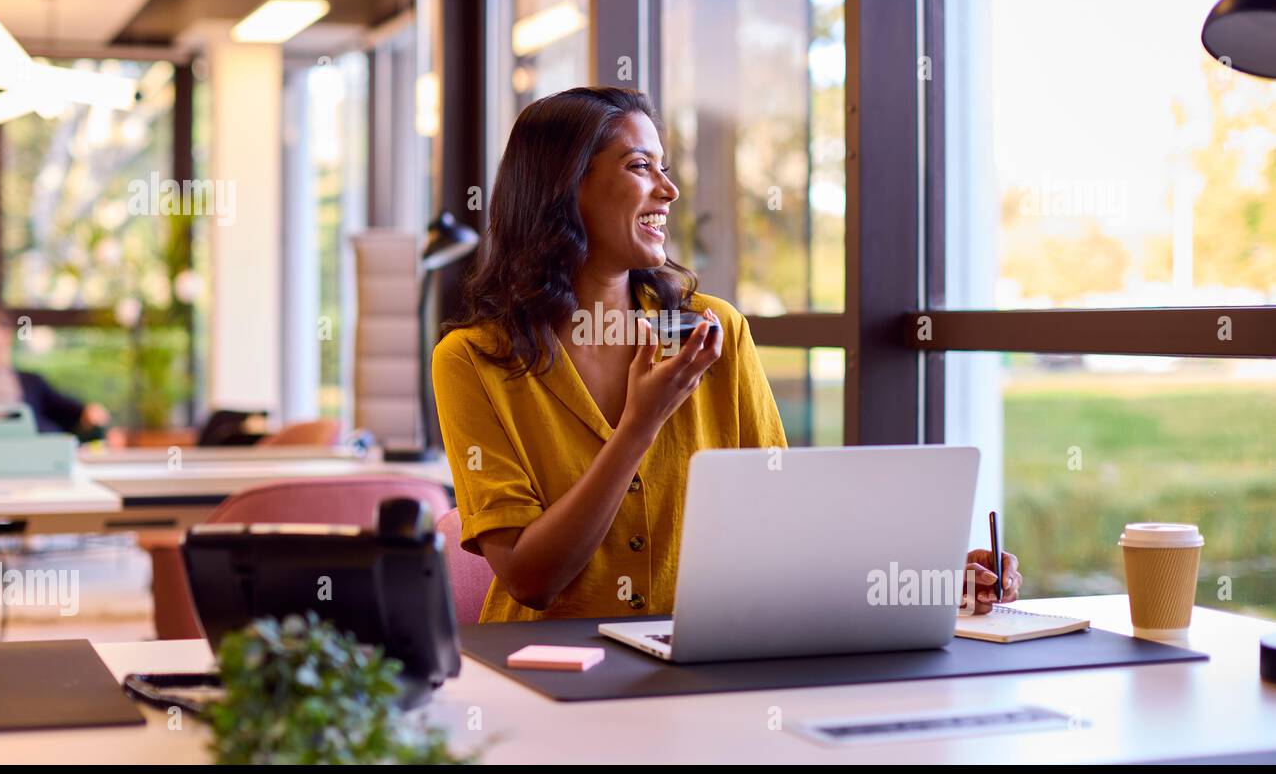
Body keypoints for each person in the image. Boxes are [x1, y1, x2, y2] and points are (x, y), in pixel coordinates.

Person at [433, 86, 1020, 622]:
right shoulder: (471, 360)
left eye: (665, 168)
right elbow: (531, 579)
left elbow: (782, 525)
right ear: (563, 186)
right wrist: (640, 424)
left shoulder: (716, 332)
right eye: (641, 167)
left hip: (699, 661)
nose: (669, 189)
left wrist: (927, 581)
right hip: (543, 678)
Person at [0, 303, 110, 437]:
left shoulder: (31, 381)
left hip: (31, 443)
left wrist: (89, 411)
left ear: (6, 334)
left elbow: (65, 407)